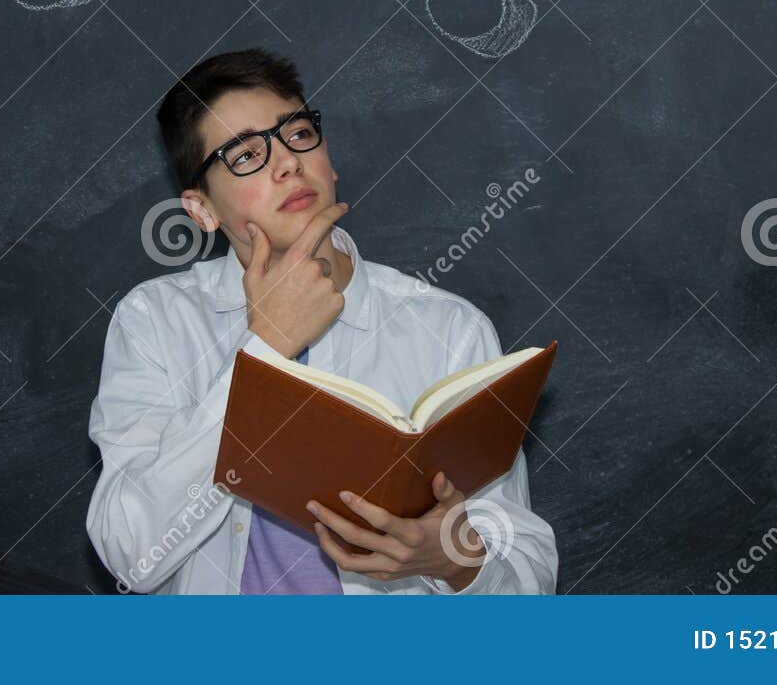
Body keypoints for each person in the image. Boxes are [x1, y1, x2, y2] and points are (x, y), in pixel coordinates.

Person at [85, 48, 557, 594]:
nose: (287, 162)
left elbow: (529, 581)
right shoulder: (155, 321)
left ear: (328, 161)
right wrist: (266, 347)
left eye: (298, 133)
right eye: (244, 155)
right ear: (202, 211)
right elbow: (131, 556)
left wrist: (455, 563)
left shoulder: (450, 328)